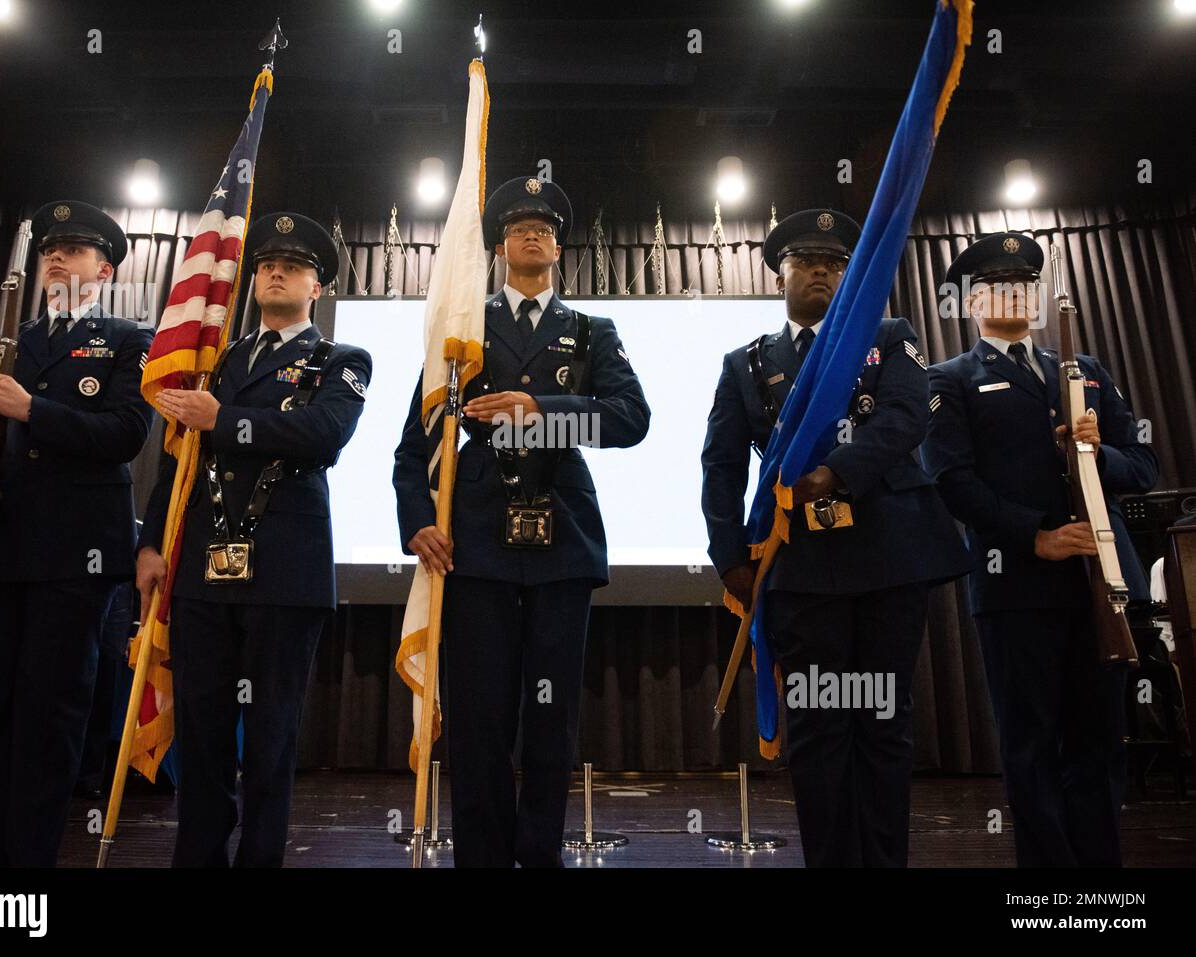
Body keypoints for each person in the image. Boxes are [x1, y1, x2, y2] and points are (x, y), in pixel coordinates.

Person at [393, 176, 650, 867]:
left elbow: (631, 420)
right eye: (517, 226)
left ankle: (539, 855)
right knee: (477, 723)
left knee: (549, 720)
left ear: (560, 248)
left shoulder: (593, 330)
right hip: (473, 544)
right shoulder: (462, 329)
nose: (531, 233)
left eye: (544, 227)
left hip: (561, 540)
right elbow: (413, 443)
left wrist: (544, 411)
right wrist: (416, 520)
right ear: (500, 246)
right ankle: (481, 857)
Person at [701, 208, 970, 867]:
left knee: (882, 720)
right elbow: (722, 464)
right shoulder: (747, 365)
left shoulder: (888, 336)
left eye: (835, 262)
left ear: (853, 275)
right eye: (804, 260)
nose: (820, 269)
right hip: (802, 572)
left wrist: (837, 472)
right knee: (820, 729)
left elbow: (907, 418)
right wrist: (730, 558)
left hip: (888, 559)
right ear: (779, 275)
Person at [137, 212, 371, 867]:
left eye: (292, 266)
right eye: (267, 263)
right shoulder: (217, 359)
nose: (274, 272)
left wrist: (228, 420)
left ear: (316, 287)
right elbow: (179, 461)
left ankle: (262, 857)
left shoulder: (339, 359)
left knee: (270, 734)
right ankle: (198, 855)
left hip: (284, 571)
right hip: (202, 568)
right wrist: (152, 544)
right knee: (204, 730)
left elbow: (324, 436)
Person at [922, 231, 1158, 866]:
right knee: (1032, 749)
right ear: (973, 303)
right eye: (1000, 284)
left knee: (1100, 745)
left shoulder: (1082, 372)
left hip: (1099, 582)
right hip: (1017, 588)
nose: (1017, 294)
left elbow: (1143, 465)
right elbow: (953, 483)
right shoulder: (950, 380)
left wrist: (1091, 451)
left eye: (1026, 283)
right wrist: (1036, 536)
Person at [0, 199, 154, 866]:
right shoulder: (5, 342)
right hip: (0, 551)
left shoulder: (128, 340)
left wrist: (33, 407)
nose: (58, 258)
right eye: (50, 249)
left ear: (105, 269)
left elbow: (125, 434)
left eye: (74, 249)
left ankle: (28, 873)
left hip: (76, 556)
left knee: (50, 721)